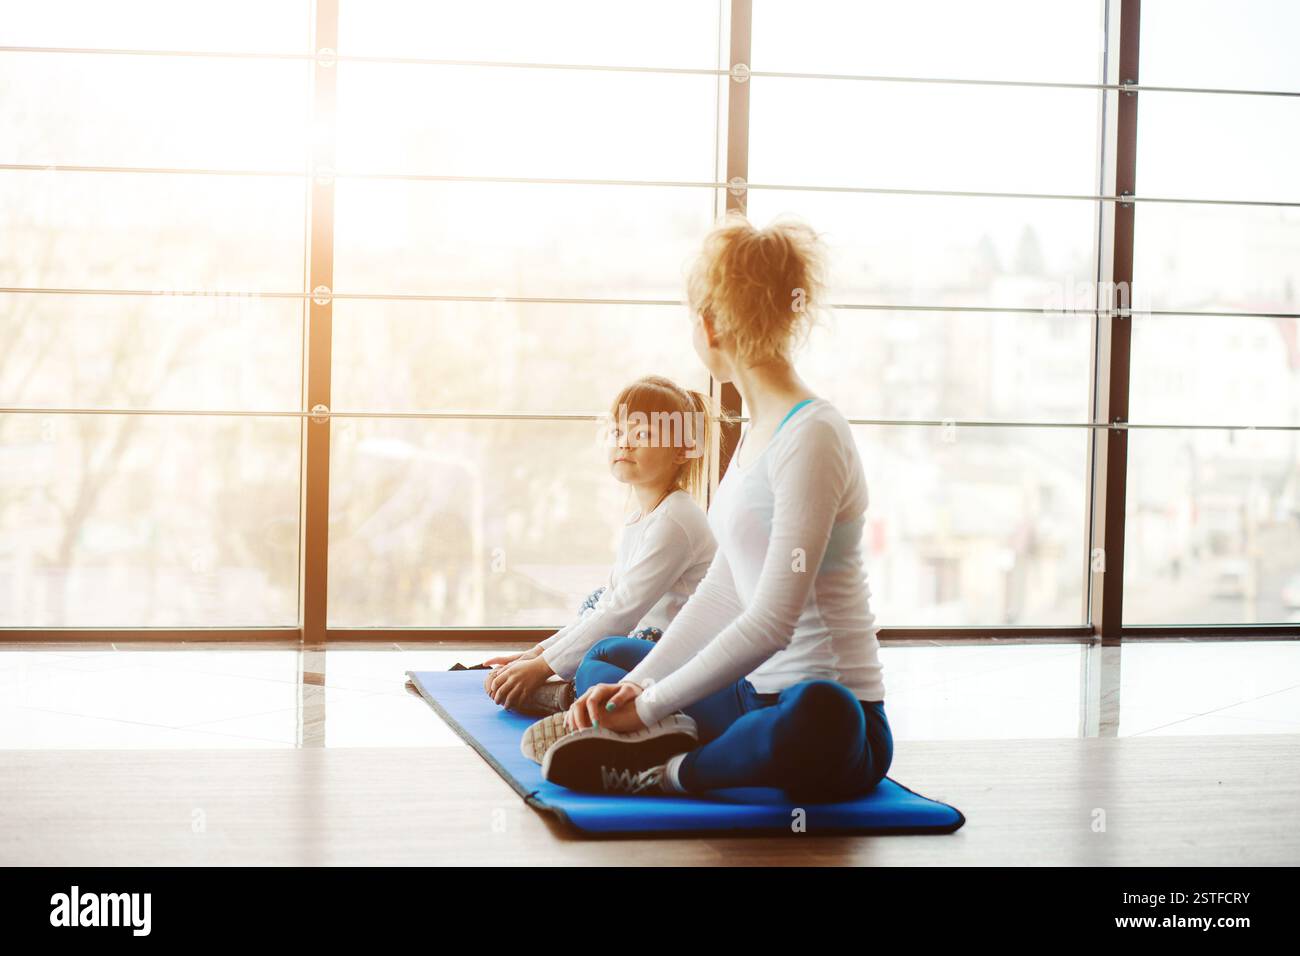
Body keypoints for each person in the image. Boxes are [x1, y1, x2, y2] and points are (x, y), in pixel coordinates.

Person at [529, 215, 892, 803]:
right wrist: (638, 687)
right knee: (608, 664)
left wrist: (649, 703)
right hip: (748, 695)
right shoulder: (756, 436)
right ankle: (679, 740)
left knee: (824, 712)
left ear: (709, 325)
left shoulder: (814, 434)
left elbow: (772, 624)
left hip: (833, 719)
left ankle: (666, 771)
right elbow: (723, 594)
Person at [481, 375, 717, 727]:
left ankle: (573, 699)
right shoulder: (641, 517)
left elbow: (621, 612)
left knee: (598, 657)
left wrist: (540, 669)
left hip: (671, 654)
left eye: (643, 435)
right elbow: (608, 602)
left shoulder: (677, 519)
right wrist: (535, 655)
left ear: (682, 450)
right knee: (594, 610)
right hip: (637, 643)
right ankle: (574, 697)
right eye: (619, 433)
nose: (625, 445)